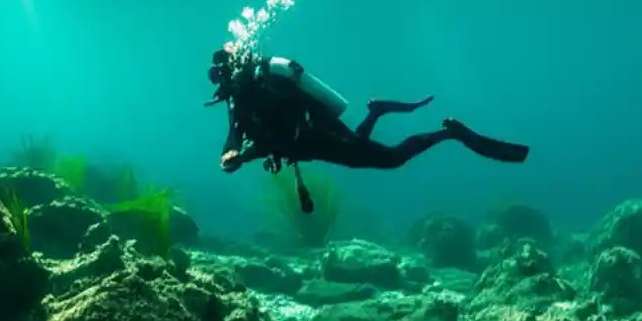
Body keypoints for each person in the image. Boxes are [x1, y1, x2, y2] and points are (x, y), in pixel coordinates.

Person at [205, 46, 528, 210]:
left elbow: (294, 123)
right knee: (357, 145)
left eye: (226, 79)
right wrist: (230, 156)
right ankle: (377, 111)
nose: (226, 86)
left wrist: (243, 155)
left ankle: (451, 132)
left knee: (391, 159)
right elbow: (234, 135)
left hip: (320, 137)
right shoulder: (240, 102)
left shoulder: (269, 87)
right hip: (312, 145)